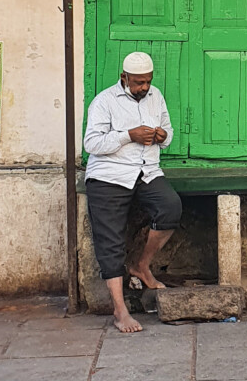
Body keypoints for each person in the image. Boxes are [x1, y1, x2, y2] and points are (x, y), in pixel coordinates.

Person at [84, 51, 182, 334]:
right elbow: (92, 143)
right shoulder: (104, 101)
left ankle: (141, 265)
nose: (144, 88)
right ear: (123, 78)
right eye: (138, 82)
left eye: (148, 82)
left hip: (147, 172)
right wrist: (129, 135)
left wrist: (163, 137)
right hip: (109, 176)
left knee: (170, 208)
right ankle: (120, 310)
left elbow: (168, 132)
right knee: (110, 240)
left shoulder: (156, 97)